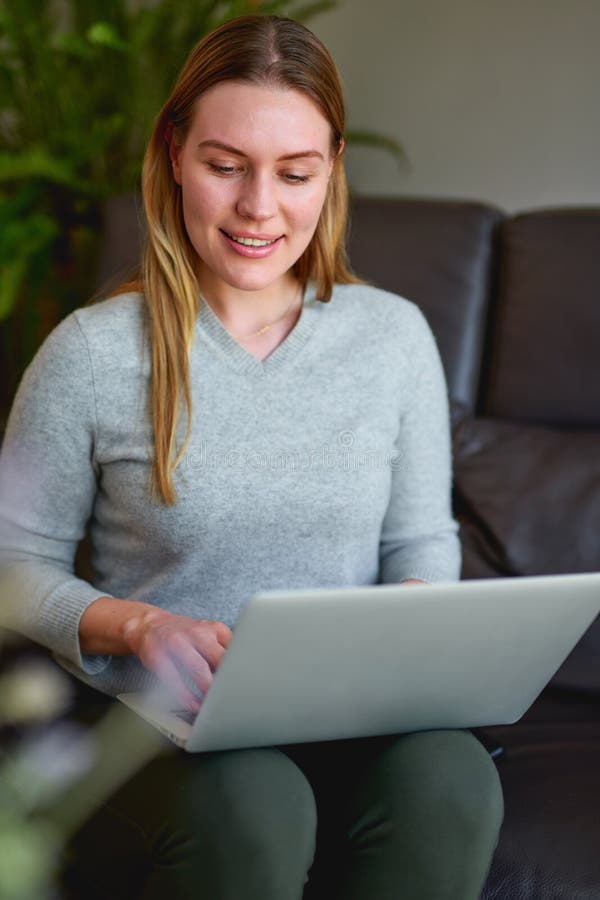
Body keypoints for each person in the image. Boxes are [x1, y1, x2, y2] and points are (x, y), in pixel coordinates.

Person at [0, 14, 503, 900]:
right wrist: (138, 625)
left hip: (357, 709)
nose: (259, 207)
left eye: (295, 172)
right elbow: (12, 563)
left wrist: (418, 621)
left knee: (453, 778)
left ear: (333, 168)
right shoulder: (92, 353)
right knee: (253, 800)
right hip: (164, 727)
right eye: (225, 165)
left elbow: (421, 539)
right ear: (174, 155)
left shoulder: (393, 338)